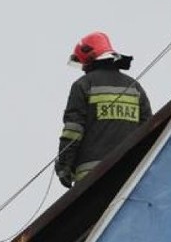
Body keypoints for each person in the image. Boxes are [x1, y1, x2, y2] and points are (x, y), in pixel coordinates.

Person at [56, 31, 153, 189]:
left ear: (89, 58)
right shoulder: (134, 87)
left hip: (91, 177)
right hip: (130, 174)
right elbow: (147, 129)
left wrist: (64, 165)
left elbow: (73, 130)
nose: (83, 69)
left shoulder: (83, 85)